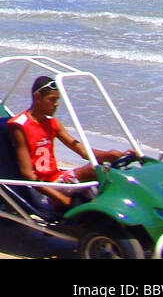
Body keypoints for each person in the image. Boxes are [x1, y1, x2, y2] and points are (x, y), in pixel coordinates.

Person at [9, 76, 134, 208]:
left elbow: (84, 152)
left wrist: (116, 155)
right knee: (94, 170)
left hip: (56, 179)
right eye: (52, 100)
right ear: (38, 97)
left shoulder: (52, 123)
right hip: (41, 188)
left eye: (57, 100)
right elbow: (27, 174)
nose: (56, 104)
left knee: (109, 167)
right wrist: (63, 199)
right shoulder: (20, 125)